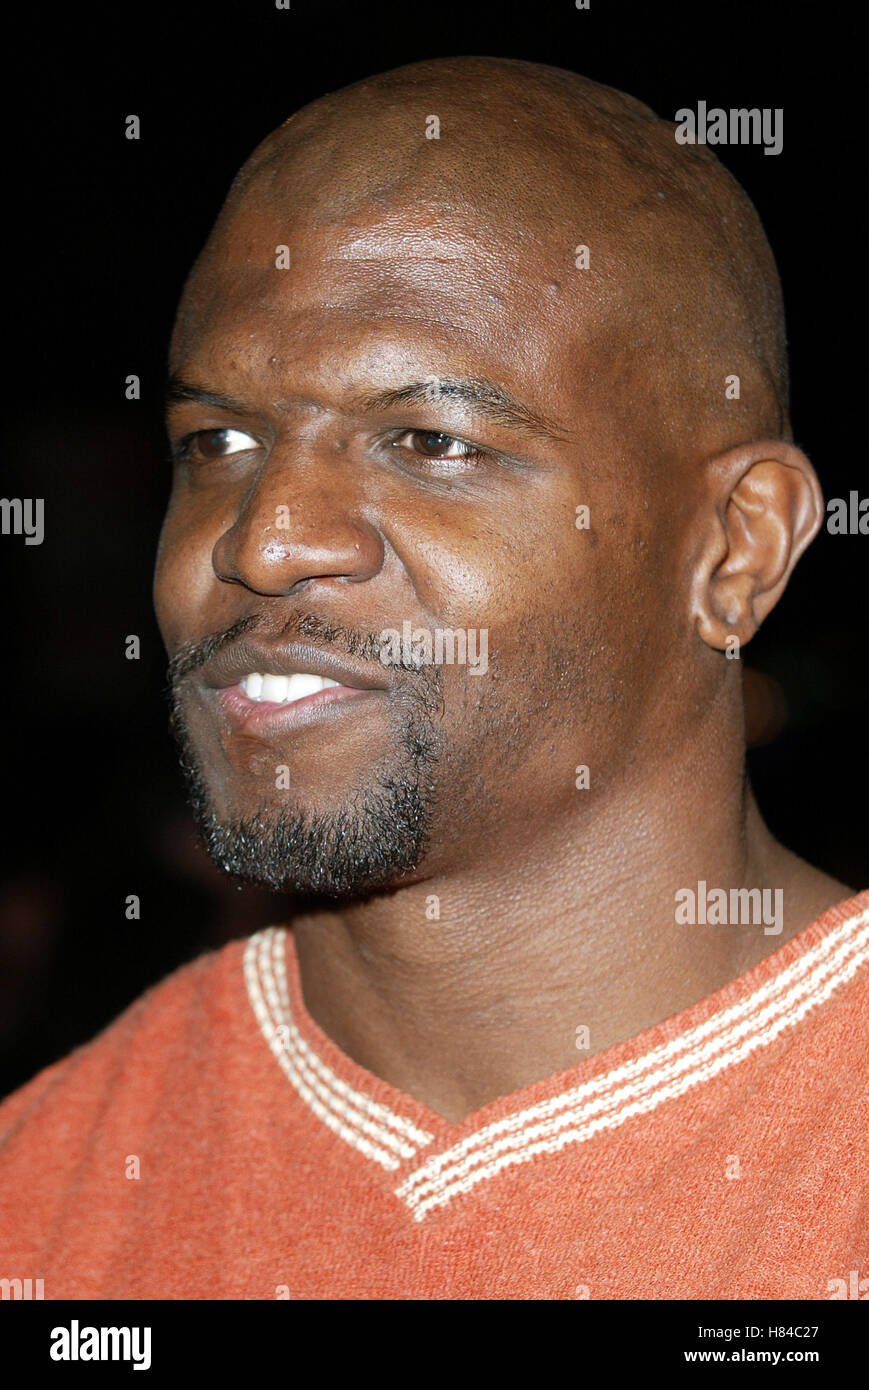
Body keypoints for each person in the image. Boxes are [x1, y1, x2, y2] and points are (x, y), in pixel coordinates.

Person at [1, 56, 865, 1301]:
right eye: (219, 441)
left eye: (430, 442)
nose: (264, 539)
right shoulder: (45, 1197)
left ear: (733, 547)